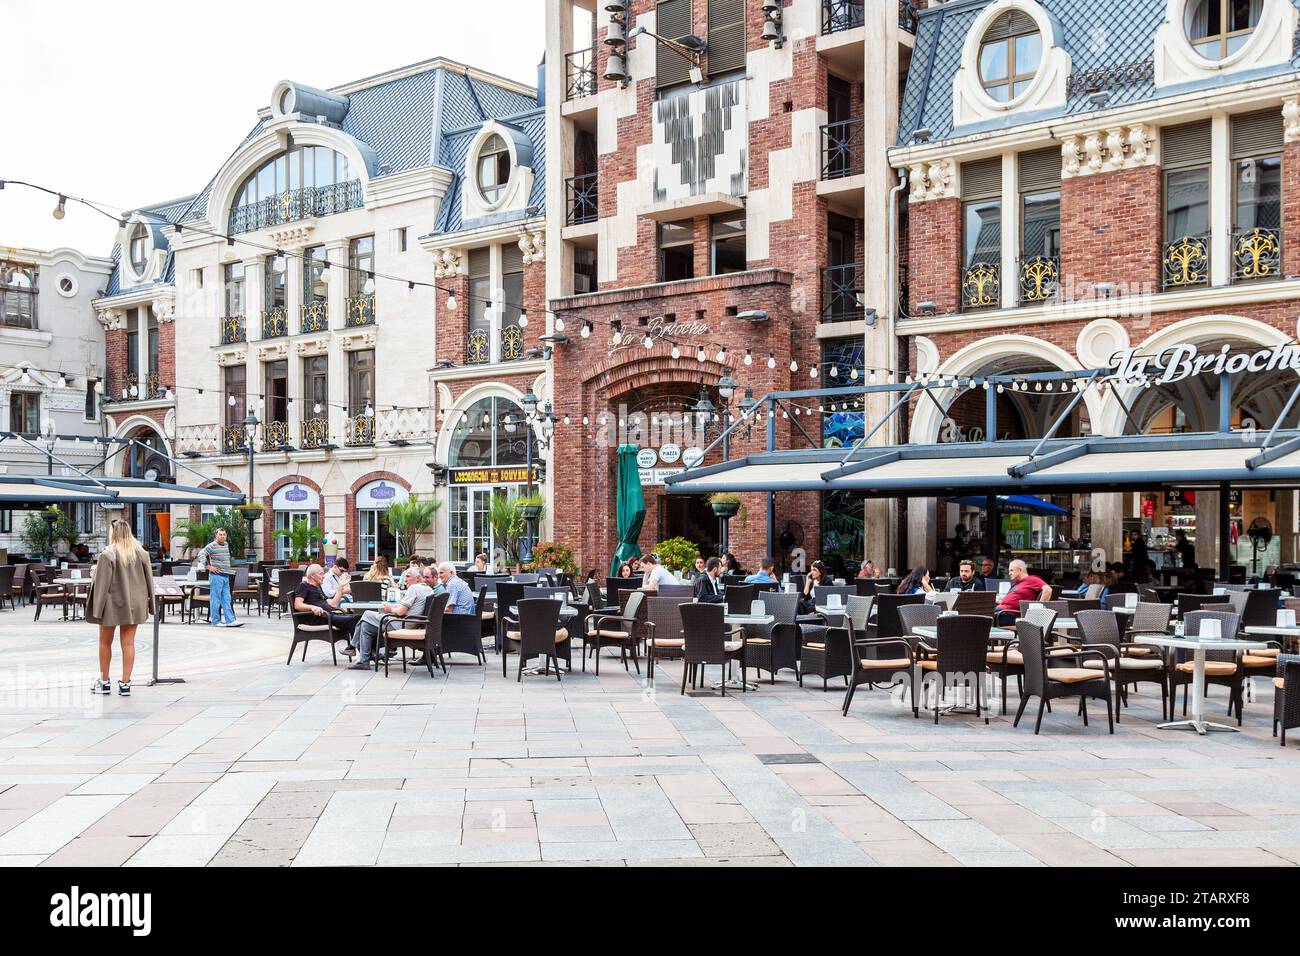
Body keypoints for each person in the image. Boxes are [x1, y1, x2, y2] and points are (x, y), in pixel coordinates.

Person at [86, 518, 155, 696]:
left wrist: (96, 609)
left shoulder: (107, 554)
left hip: (111, 604)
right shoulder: (142, 553)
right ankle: (125, 684)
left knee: (105, 642)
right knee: (128, 643)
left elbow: (101, 584)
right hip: (135, 604)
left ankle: (104, 681)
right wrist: (151, 605)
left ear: (113, 533)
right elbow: (150, 581)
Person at [347, 566, 435, 669]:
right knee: (365, 625)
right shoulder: (428, 589)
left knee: (366, 614)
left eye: (408, 576)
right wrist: (396, 608)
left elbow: (401, 612)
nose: (405, 579)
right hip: (410, 623)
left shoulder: (414, 588)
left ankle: (353, 647)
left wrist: (390, 609)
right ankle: (363, 660)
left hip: (399, 624)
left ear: (418, 578)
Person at [292, 563, 359, 645]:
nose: (324, 576)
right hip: (318, 618)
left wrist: (340, 586)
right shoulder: (304, 586)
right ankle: (359, 650)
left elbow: (333, 604)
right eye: (321, 574)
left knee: (360, 618)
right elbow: (297, 605)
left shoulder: (318, 587)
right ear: (313, 575)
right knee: (354, 620)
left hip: (328, 616)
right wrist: (313, 608)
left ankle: (364, 651)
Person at [200, 527, 241, 627]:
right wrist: (209, 567)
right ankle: (216, 621)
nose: (222, 536)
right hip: (216, 576)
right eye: (220, 534)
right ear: (216, 536)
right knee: (216, 599)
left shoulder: (226, 544)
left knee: (227, 599)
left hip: (226, 575)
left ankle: (230, 621)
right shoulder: (212, 545)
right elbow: (200, 554)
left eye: (224, 534)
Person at [994, 559, 1052, 626]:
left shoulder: (1032, 579)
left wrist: (1038, 611)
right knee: (982, 614)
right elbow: (1010, 600)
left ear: (1020, 570)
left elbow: (1048, 590)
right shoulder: (1016, 584)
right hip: (1002, 611)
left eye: (1011, 570)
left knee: (983, 618)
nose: (1009, 573)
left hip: (1009, 614)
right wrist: (999, 601)